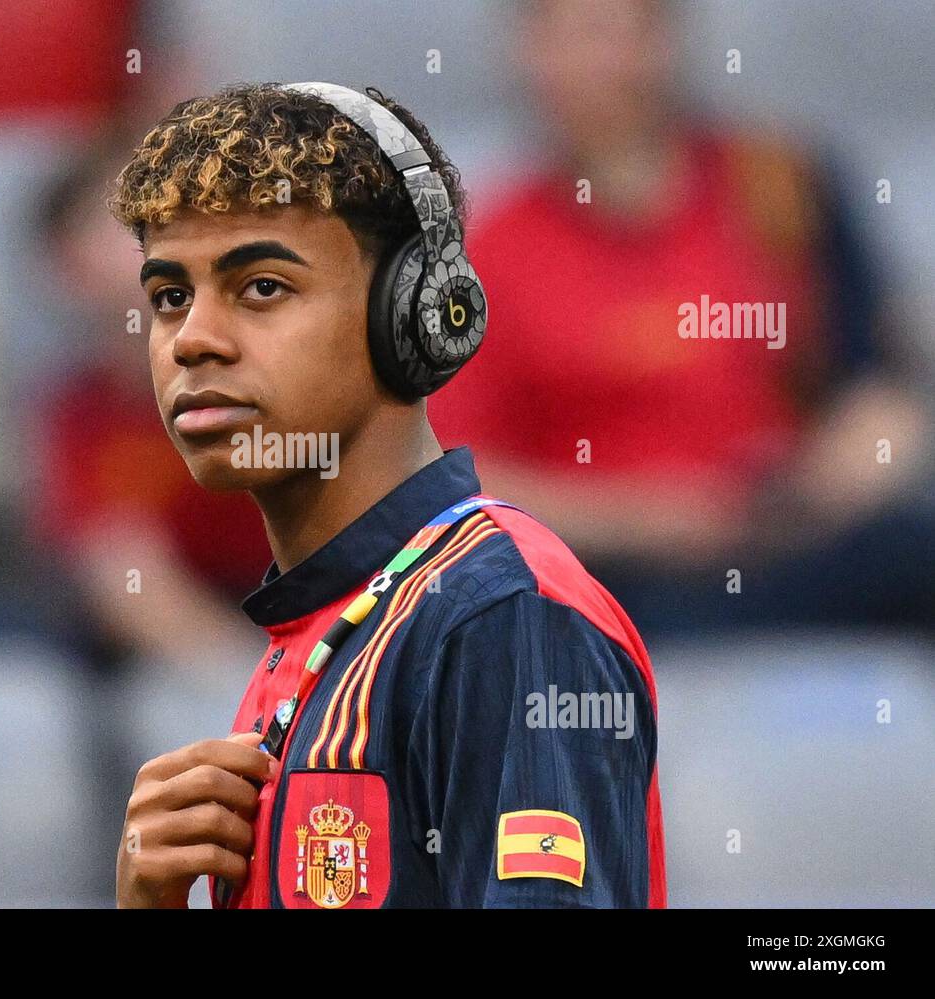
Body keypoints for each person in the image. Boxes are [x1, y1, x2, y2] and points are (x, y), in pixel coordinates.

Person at [109, 82, 665, 909]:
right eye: (169, 296)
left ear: (414, 317)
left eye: (261, 285)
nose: (192, 338)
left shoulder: (502, 614)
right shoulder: (320, 629)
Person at [430, 0, 935, 638]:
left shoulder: (779, 188)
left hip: (791, 545)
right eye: (574, 36)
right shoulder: (488, 251)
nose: (602, 64)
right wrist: (657, 521)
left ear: (668, 40)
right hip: (611, 582)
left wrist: (834, 477)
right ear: (526, 53)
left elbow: (884, 392)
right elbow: (457, 479)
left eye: (625, 33)